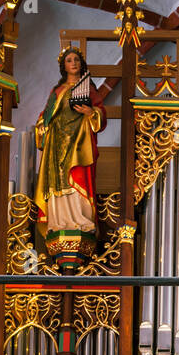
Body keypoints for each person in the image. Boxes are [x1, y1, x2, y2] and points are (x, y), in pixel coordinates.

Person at [34, 47, 103, 248]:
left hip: (78, 143)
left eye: (76, 60)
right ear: (63, 66)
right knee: (58, 181)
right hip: (57, 144)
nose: (73, 63)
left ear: (81, 64)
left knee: (77, 178)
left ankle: (80, 221)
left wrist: (91, 113)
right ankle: (58, 221)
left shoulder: (89, 89)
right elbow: (45, 116)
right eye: (68, 60)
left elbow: (101, 113)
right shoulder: (57, 91)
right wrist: (42, 127)